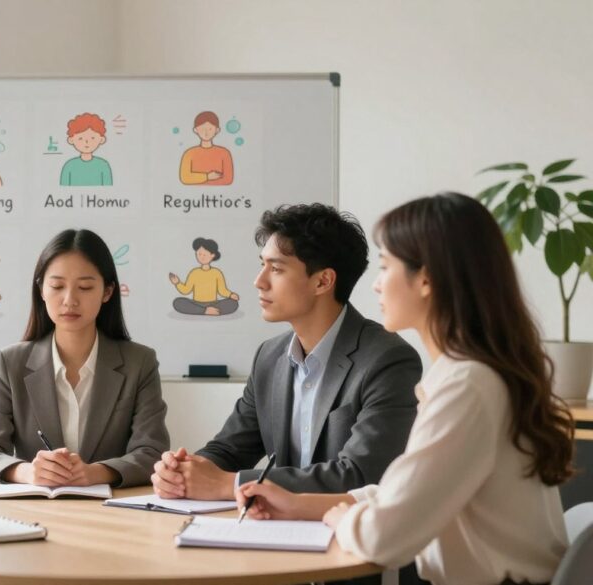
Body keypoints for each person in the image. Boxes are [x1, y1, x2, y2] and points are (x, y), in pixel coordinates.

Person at [236, 193, 574, 585]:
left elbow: (383, 538)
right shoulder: (468, 376)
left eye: (385, 267)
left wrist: (342, 517)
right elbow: (403, 491)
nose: (376, 286)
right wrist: (299, 504)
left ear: (426, 279)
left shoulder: (468, 387)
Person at [152, 204, 420, 499]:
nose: (259, 281)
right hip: (277, 528)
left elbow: (361, 474)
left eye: (276, 269)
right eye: (262, 264)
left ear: (323, 281)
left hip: (347, 534)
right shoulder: (269, 356)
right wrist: (184, 471)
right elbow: (230, 449)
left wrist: (229, 484)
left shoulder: (387, 359)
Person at [0, 228, 169, 488]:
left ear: (107, 292)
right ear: (41, 290)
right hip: (34, 509)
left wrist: (94, 473)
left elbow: (152, 452)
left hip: (112, 512)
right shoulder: (9, 363)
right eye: (57, 286)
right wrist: (27, 472)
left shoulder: (139, 362)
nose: (70, 300)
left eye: (85, 287)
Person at [169, 236, 240, 316]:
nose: (201, 257)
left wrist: (231, 295)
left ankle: (208, 310)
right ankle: (204, 311)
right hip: (197, 303)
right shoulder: (194, 273)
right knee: (177, 302)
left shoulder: (217, 273)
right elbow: (186, 290)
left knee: (233, 303)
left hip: (213, 303)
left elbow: (222, 290)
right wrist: (177, 283)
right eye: (199, 254)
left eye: (204, 254)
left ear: (212, 255)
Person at [178, 111, 234, 186]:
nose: (206, 133)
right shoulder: (189, 153)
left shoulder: (224, 153)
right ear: (195, 130)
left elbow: (228, 179)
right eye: (202, 129)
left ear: (217, 130)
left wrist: (197, 179)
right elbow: (184, 178)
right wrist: (207, 177)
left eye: (210, 129)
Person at [59, 113, 113, 186]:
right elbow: (62, 190)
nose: (86, 142)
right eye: (80, 138)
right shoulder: (69, 166)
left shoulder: (103, 165)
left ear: (101, 139)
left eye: (92, 138)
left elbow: (109, 190)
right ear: (71, 140)